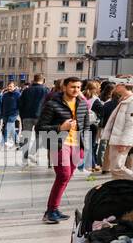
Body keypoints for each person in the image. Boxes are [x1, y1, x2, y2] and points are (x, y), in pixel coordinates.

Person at [35, 77, 91, 224]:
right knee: (63, 175)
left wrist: (84, 147)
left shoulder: (83, 104)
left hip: (76, 145)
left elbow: (86, 127)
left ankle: (53, 209)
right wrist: (60, 127)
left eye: (78, 87)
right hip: (58, 144)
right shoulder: (52, 104)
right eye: (73, 87)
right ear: (64, 87)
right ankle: (50, 211)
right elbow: (40, 127)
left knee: (65, 178)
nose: (76, 90)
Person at [102, 84, 133, 182]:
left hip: (121, 139)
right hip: (116, 138)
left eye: (118, 85)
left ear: (125, 86)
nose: (115, 87)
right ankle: (119, 189)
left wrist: (124, 142)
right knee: (115, 168)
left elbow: (131, 124)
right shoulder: (125, 100)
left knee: (117, 167)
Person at [18, 74, 49, 162]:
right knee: (41, 136)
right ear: (43, 81)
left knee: (26, 136)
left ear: (33, 80)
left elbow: (20, 104)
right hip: (40, 116)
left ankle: (25, 157)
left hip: (27, 116)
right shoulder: (46, 90)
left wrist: (22, 116)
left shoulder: (26, 90)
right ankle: (32, 153)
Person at [0, 81, 19, 149]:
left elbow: (21, 104)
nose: (9, 88)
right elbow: (2, 105)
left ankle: (3, 143)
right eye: (8, 86)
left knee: (7, 128)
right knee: (12, 129)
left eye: (11, 86)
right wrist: (1, 114)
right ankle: (17, 142)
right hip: (5, 114)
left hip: (13, 114)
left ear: (14, 87)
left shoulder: (18, 94)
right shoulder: (5, 95)